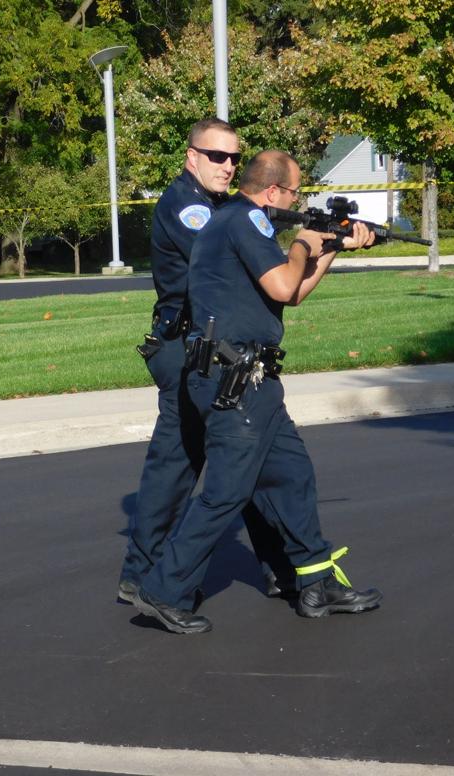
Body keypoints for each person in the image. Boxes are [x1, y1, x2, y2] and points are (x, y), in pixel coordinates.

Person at [132, 150, 383, 634]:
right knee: (226, 493)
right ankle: (162, 590)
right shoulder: (245, 220)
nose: (296, 200)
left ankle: (315, 583)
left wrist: (331, 244)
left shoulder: (235, 221)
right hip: (234, 380)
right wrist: (307, 242)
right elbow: (287, 283)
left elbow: (295, 290)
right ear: (273, 192)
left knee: (292, 475)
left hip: (252, 379)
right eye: (294, 192)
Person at [118, 118, 291, 606]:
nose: (228, 166)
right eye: (217, 156)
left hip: (212, 350)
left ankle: (283, 565)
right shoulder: (187, 206)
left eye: (235, 158)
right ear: (191, 156)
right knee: (177, 463)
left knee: (244, 454)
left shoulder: (218, 206)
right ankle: (143, 573)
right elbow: (226, 262)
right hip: (184, 352)